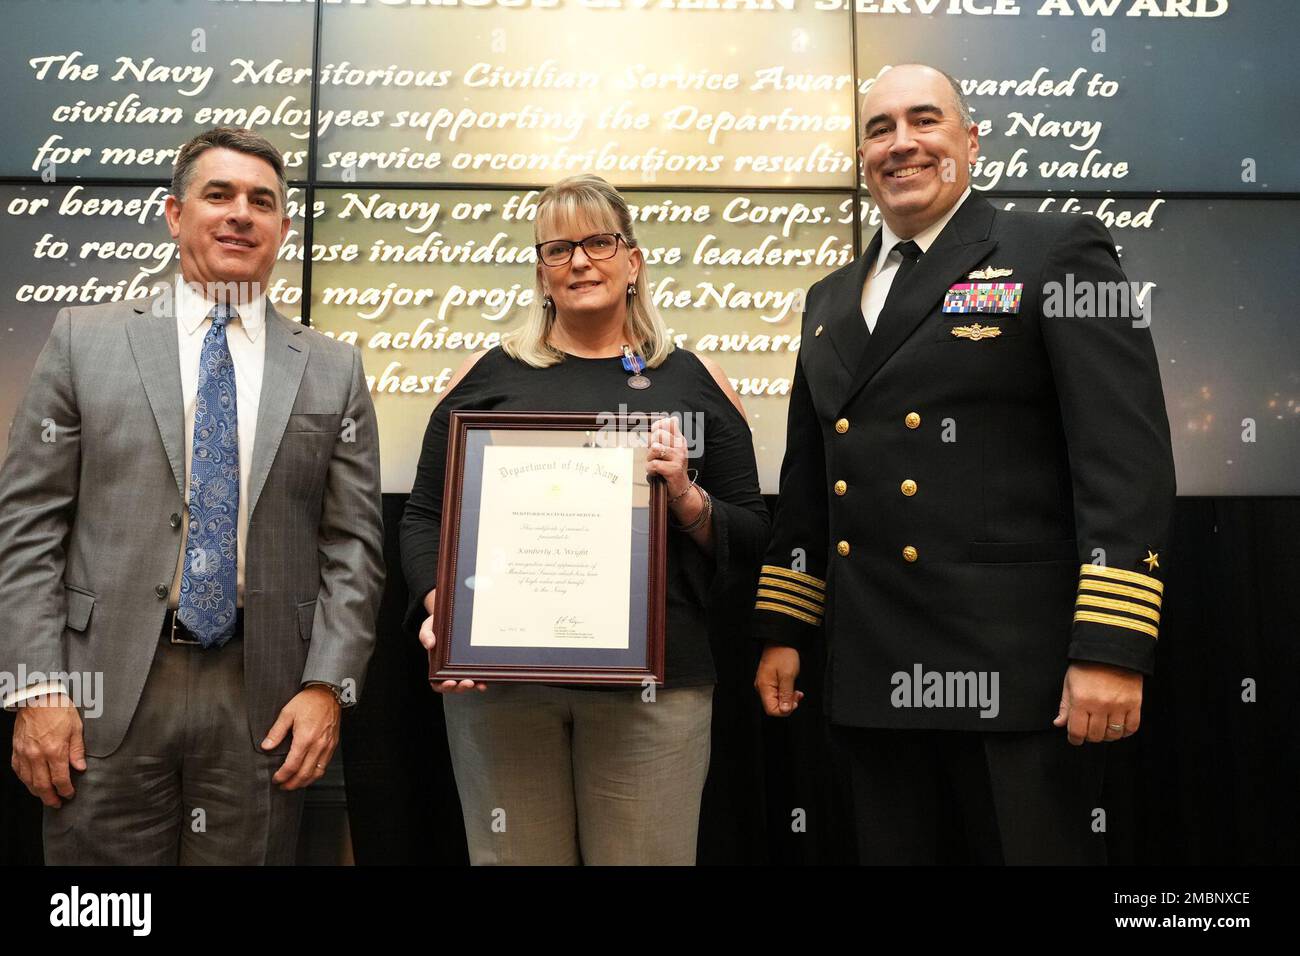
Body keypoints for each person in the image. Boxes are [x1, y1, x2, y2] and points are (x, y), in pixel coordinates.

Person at [752, 64, 1176, 864]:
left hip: (1018, 676)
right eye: (880, 129)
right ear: (861, 156)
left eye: (924, 120)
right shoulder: (830, 298)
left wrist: (1111, 646)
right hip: (873, 671)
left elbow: (1125, 462)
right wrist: (784, 628)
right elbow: (811, 486)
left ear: (970, 141)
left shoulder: (1056, 250)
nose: (901, 143)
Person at [0, 127, 385, 864]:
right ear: (175, 215)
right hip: (98, 693)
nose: (241, 213)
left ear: (282, 229)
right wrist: (35, 686)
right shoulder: (85, 340)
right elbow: (27, 526)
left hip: (264, 698)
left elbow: (353, 547)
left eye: (262, 201)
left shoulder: (333, 369)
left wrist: (327, 687)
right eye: (220, 194)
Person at [400, 174, 769, 865]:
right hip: (504, 688)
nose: (579, 261)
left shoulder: (696, 379)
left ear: (633, 262)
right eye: (558, 248)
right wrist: (441, 608)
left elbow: (752, 535)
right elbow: (424, 516)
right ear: (541, 272)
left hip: (658, 688)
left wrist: (686, 497)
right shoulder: (485, 376)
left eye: (599, 241)